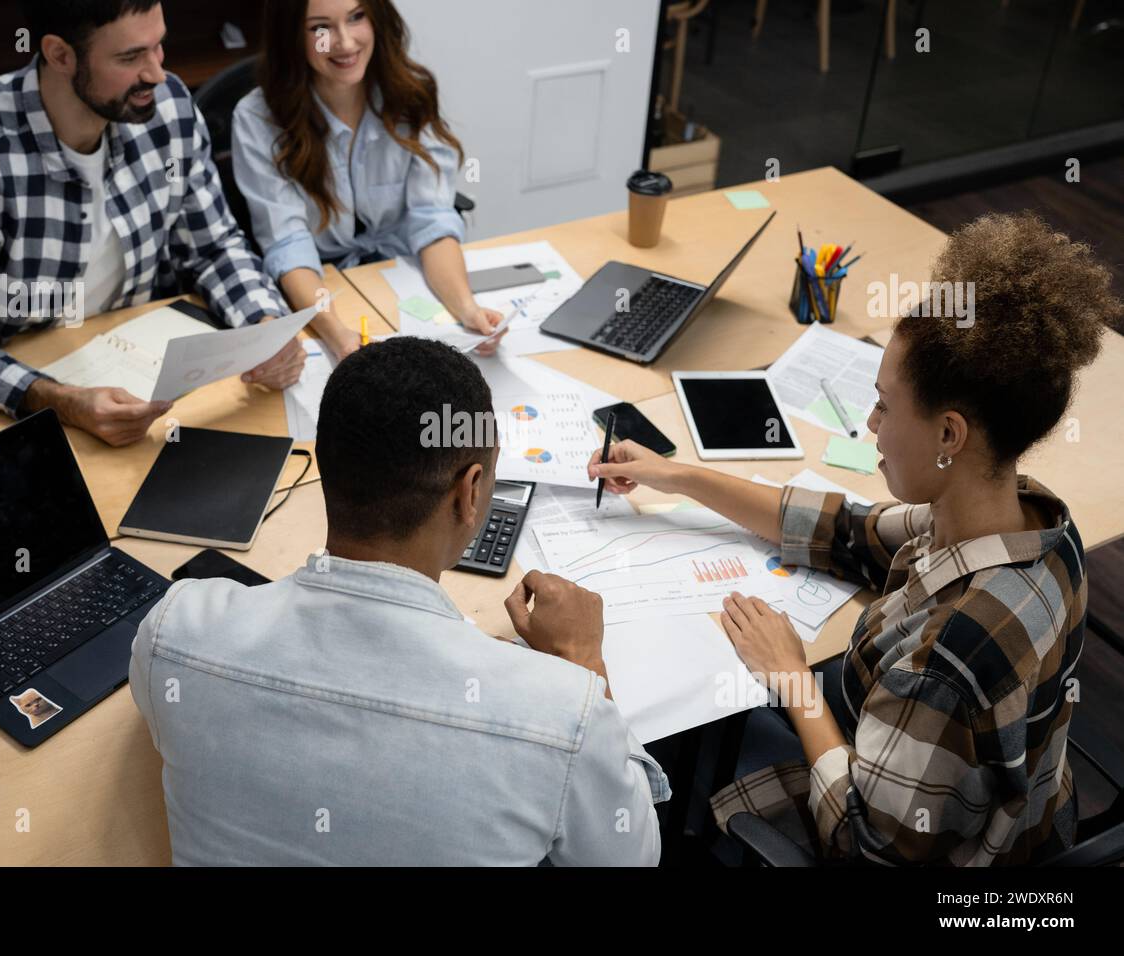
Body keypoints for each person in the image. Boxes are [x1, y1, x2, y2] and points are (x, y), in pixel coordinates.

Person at [589, 213, 1120, 865]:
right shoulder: (1030, 517)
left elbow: (867, 846)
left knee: (668, 744)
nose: (869, 422)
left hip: (914, 844)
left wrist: (791, 678)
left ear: (950, 435)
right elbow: (846, 532)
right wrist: (677, 476)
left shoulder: (950, 657)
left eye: (885, 406)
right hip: (1004, 811)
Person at [130, 336, 667, 865]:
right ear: (471, 492)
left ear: (325, 464)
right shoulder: (561, 716)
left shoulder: (173, 631)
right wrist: (584, 662)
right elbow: (631, 857)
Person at [0, 0, 307, 447]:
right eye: (130, 58)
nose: (157, 74)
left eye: (159, 46)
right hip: (27, 397)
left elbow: (213, 247)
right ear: (59, 54)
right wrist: (59, 401)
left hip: (149, 377)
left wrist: (264, 324)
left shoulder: (168, 111)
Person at [231, 0, 505, 360]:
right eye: (320, 28)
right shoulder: (257, 118)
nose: (345, 42)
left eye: (357, 17)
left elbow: (433, 220)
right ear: (292, 36)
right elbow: (288, 246)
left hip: (400, 279)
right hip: (318, 291)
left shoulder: (412, 95)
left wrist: (468, 310)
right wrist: (338, 336)